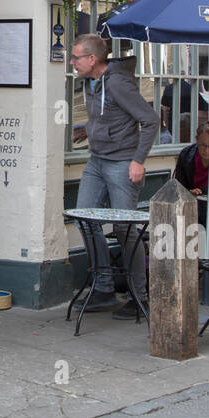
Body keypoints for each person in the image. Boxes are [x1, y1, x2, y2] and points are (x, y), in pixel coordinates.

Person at [70, 34, 160, 318]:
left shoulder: (118, 83)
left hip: (122, 162)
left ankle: (139, 296)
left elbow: (150, 120)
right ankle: (104, 287)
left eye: (76, 58)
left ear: (92, 59)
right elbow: (107, 117)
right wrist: (88, 130)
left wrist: (138, 160)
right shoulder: (89, 83)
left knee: (124, 227)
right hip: (96, 160)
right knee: (85, 218)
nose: (72, 63)